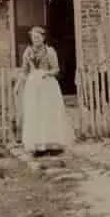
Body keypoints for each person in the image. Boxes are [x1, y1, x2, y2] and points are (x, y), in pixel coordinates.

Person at [19, 26, 74, 156]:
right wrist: (19, 84)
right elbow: (24, 70)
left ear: (43, 38)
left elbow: (56, 69)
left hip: (48, 86)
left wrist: (45, 73)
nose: (36, 40)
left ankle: (53, 144)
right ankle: (38, 145)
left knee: (49, 113)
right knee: (35, 114)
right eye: (34, 37)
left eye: (38, 37)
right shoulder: (27, 52)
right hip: (33, 86)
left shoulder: (50, 51)